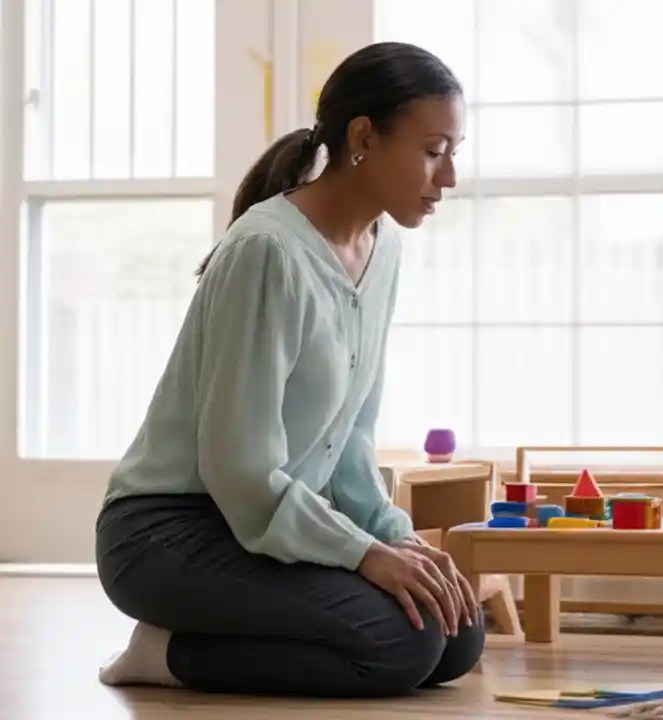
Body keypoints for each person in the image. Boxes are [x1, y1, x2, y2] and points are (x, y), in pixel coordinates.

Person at [93, 41, 484, 697]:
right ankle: (168, 654)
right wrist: (365, 556)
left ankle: (217, 637)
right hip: (168, 535)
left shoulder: (380, 248)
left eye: (454, 152)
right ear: (363, 136)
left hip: (258, 528)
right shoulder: (266, 251)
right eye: (433, 150)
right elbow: (239, 469)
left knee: (455, 633)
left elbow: (351, 442)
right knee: (401, 644)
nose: (448, 178)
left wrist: (399, 541)